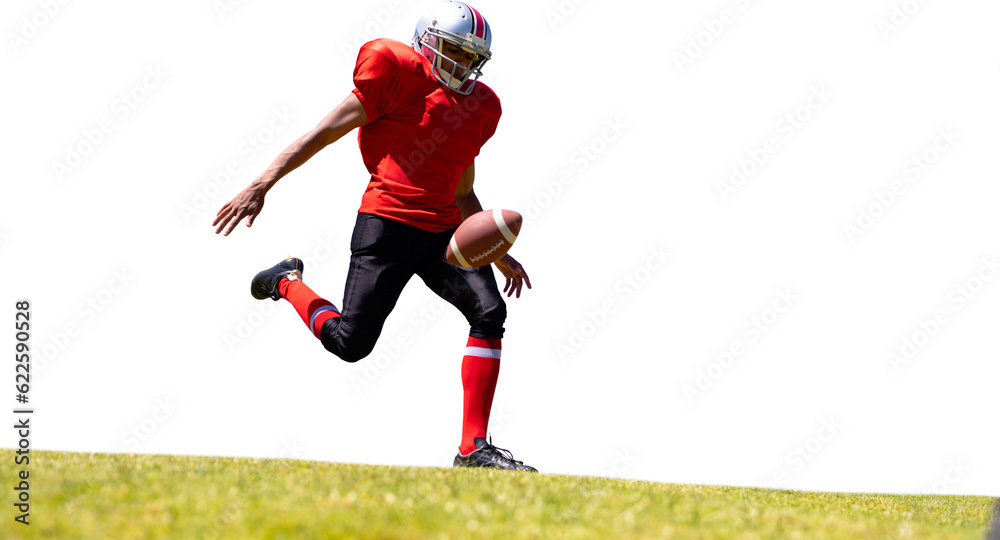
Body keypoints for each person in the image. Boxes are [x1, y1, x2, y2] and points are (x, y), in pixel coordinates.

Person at [212, 1, 536, 472]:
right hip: (387, 225)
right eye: (455, 52)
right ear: (426, 41)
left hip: (443, 233)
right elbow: (319, 135)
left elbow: (461, 185)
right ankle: (286, 281)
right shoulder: (396, 73)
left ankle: (473, 448)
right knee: (350, 345)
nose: (462, 65)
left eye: (471, 58)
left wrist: (498, 252)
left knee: (489, 311)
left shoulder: (481, 107)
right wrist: (262, 184)